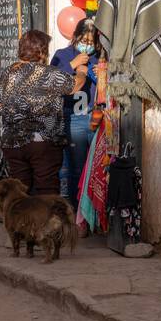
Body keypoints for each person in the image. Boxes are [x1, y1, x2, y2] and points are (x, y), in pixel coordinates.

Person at [0, 29, 87, 198]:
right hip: (42, 142)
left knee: (20, 192)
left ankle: (22, 223)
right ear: (42, 51)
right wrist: (82, 72)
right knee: (47, 191)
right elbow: (74, 86)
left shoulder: (8, 73)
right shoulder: (48, 73)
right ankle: (45, 223)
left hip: (12, 143)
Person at [50, 19, 108, 208]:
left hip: (96, 117)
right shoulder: (63, 55)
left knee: (96, 167)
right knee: (78, 167)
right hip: (74, 118)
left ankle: (93, 211)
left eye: (91, 43)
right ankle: (77, 211)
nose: (86, 45)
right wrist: (73, 64)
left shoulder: (98, 57)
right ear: (75, 37)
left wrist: (100, 75)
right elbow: (52, 82)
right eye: (83, 40)